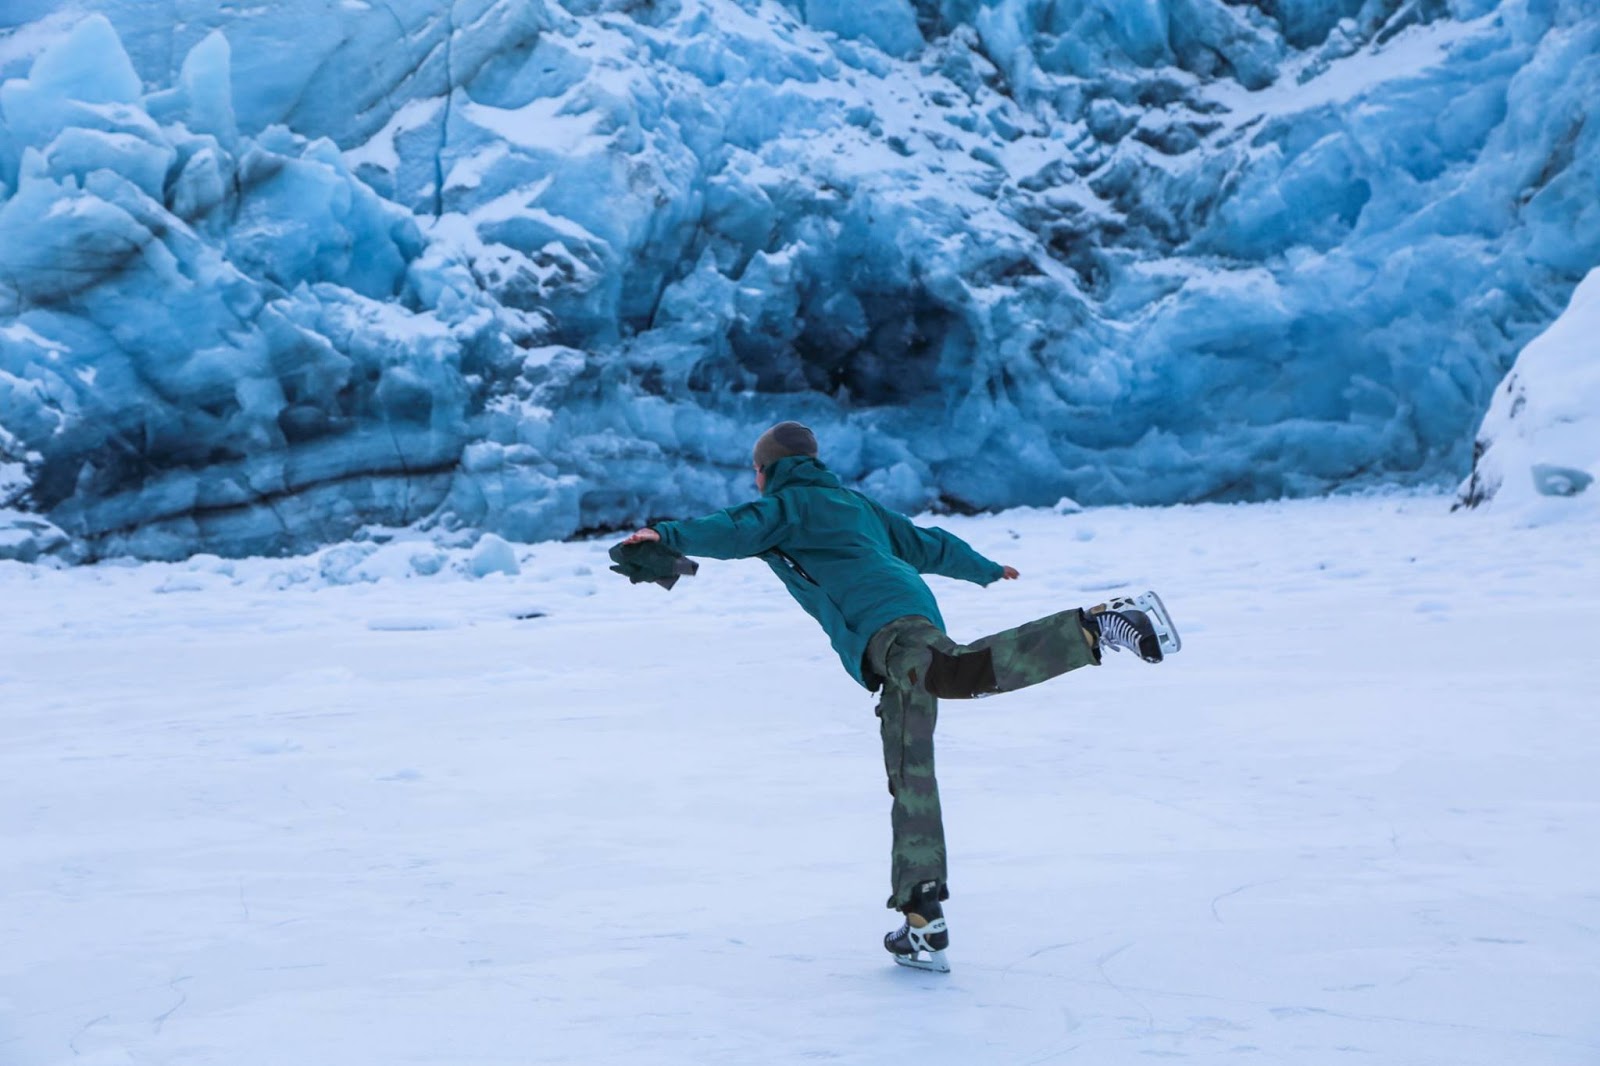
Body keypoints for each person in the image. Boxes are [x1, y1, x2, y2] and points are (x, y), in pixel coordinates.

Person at [620, 421, 1180, 971]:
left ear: (766, 470)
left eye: (757, 472)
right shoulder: (856, 505)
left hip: (887, 629)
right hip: (906, 616)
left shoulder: (785, 507)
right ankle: (921, 915)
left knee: (955, 674)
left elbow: (732, 527)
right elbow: (925, 544)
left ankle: (1095, 625)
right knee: (911, 769)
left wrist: (665, 536)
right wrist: (982, 568)